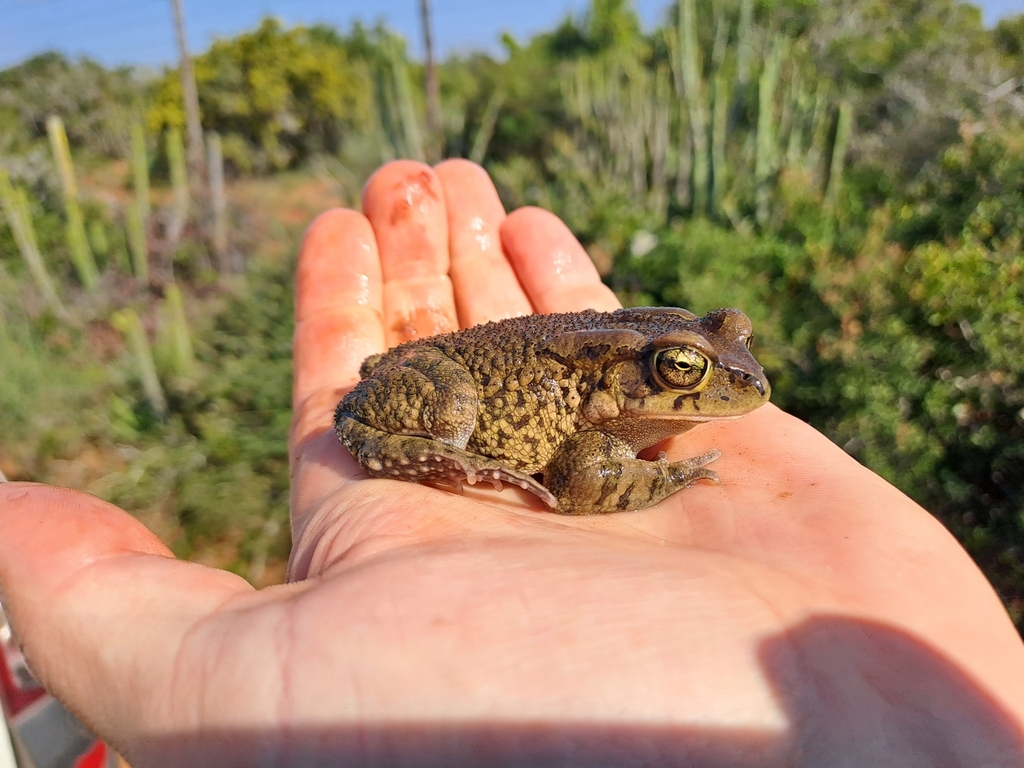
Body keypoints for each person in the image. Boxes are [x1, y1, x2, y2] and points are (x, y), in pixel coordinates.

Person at [0, 160, 1022, 768]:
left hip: (512, 354)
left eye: (720, 349)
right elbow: (581, 485)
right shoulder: (593, 421)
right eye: (679, 372)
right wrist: (660, 474)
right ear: (636, 373)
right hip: (447, 379)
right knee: (443, 419)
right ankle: (426, 446)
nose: (728, 382)